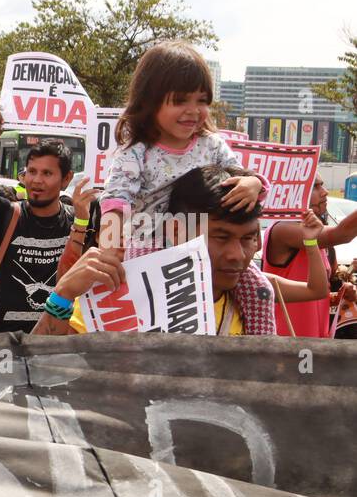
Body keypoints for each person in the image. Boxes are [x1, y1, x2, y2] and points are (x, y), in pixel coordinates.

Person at [98, 40, 278, 333]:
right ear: (150, 100)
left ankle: (261, 357)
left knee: (261, 289)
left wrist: (253, 182)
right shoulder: (134, 153)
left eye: (202, 100)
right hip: (150, 245)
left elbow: (242, 179)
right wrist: (109, 249)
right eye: (181, 100)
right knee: (163, 312)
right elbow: (116, 202)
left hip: (206, 245)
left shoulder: (213, 145)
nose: (193, 111)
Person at [32, 166, 327, 336]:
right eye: (221, 237)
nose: (238, 255)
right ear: (176, 230)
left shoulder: (252, 306)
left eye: (249, 238)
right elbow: (40, 377)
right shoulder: (119, 294)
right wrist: (62, 296)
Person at [0, 107, 95, 334]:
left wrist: (82, 222)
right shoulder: (7, 212)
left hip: (54, 342)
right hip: (2, 341)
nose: (36, 180)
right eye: (32, 171)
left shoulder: (78, 221)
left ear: (66, 179)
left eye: (47, 173)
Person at [261, 176, 357, 337]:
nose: (325, 192)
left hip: (314, 343)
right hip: (287, 345)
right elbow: (341, 234)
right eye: (316, 187)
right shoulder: (282, 229)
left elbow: (315, 293)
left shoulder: (318, 242)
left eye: (323, 185)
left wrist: (339, 296)